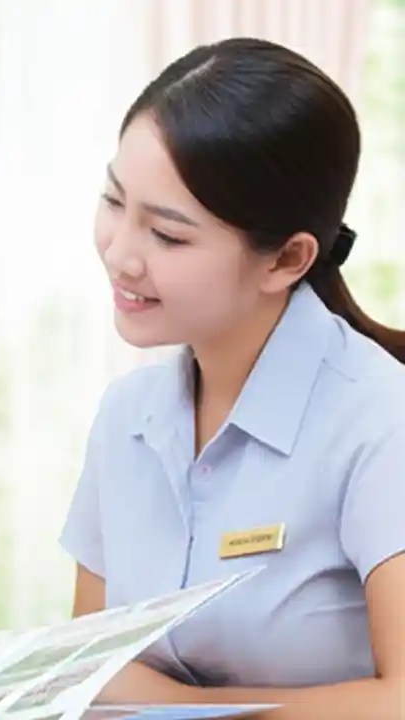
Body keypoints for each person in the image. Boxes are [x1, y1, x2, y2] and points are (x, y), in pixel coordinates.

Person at [60, 37, 405, 719]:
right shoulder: (126, 418)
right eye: (113, 199)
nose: (121, 254)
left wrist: (176, 706)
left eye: (168, 236)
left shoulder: (380, 422)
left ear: (287, 259)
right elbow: (86, 674)